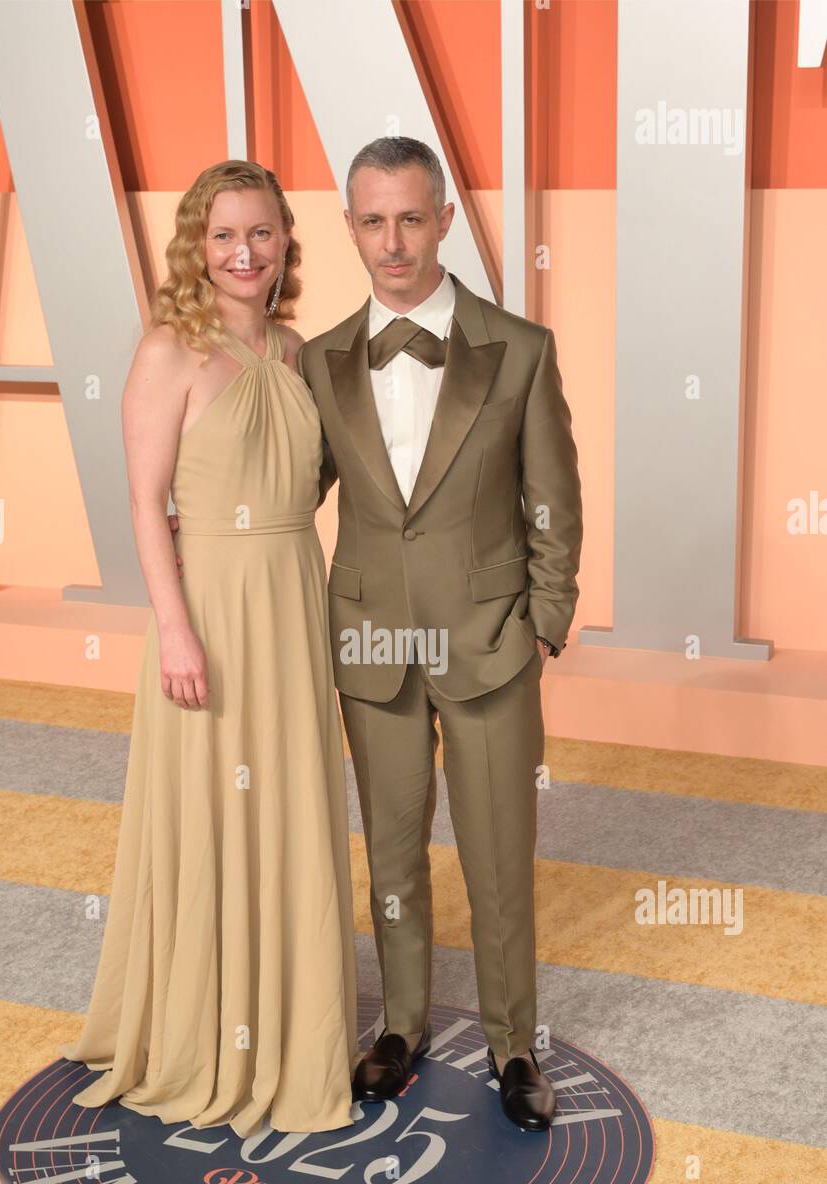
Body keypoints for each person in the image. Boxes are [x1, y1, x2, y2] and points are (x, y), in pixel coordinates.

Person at [62, 161, 360, 1137]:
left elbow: (305, 486)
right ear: (197, 244)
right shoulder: (168, 353)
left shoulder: (298, 349)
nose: (245, 252)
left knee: (292, 804)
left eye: (262, 233)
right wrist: (176, 625)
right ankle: (206, 1027)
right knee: (213, 808)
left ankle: (292, 1029)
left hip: (290, 598)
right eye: (225, 234)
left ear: (285, 241)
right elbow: (146, 506)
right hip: (211, 611)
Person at [297, 137, 583, 1132]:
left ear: (444, 218)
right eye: (372, 220)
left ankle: (514, 1044)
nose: (393, 242)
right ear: (349, 227)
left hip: (492, 638)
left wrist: (545, 617)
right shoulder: (319, 360)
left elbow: (552, 495)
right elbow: (299, 494)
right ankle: (402, 1026)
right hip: (371, 645)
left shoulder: (520, 347)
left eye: (411, 218)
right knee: (390, 853)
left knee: (500, 855)